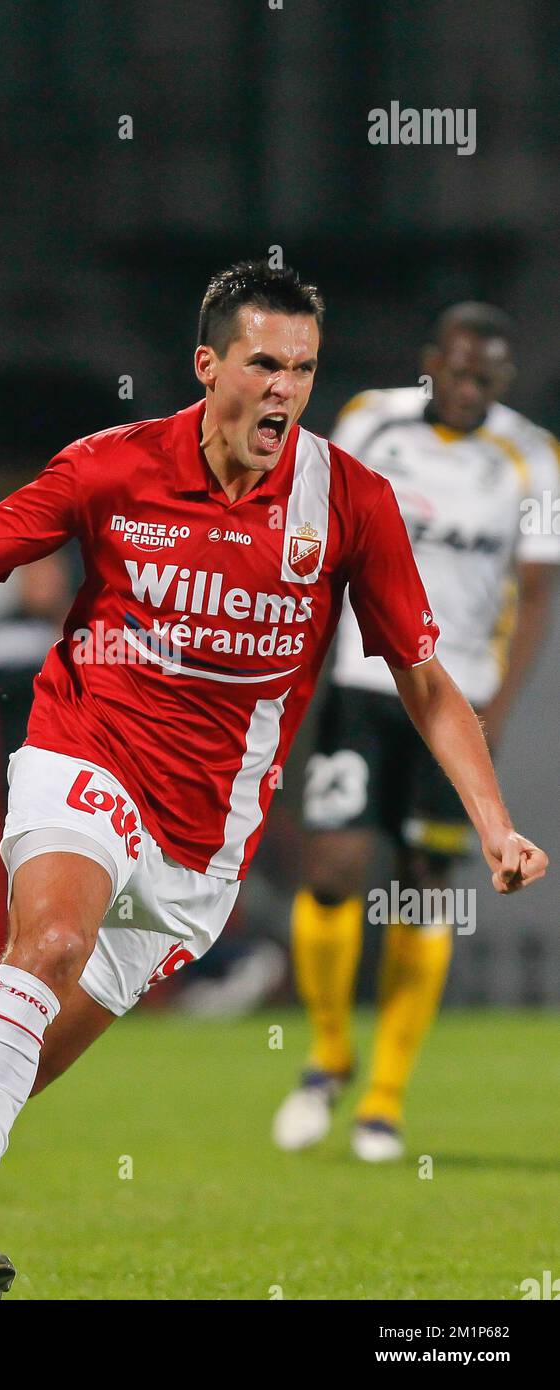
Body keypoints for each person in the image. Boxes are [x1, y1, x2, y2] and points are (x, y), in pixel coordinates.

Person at [0, 263, 548, 1300]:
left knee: (22, 1059)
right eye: (262, 364)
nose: (285, 389)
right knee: (53, 944)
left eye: (302, 367)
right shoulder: (110, 468)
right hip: (86, 749)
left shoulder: (348, 500)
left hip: (205, 835)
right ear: (207, 367)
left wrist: (493, 821)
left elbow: (425, 683)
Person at [273, 303, 560, 1163]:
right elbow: (320, 541)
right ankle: (327, 1054)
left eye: (489, 379)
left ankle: (384, 1100)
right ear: (433, 359)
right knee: (333, 867)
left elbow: (537, 592)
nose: (472, 390)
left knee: (427, 889)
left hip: (455, 696)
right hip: (364, 682)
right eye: (462, 370)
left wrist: (493, 715)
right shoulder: (369, 419)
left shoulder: (534, 457)